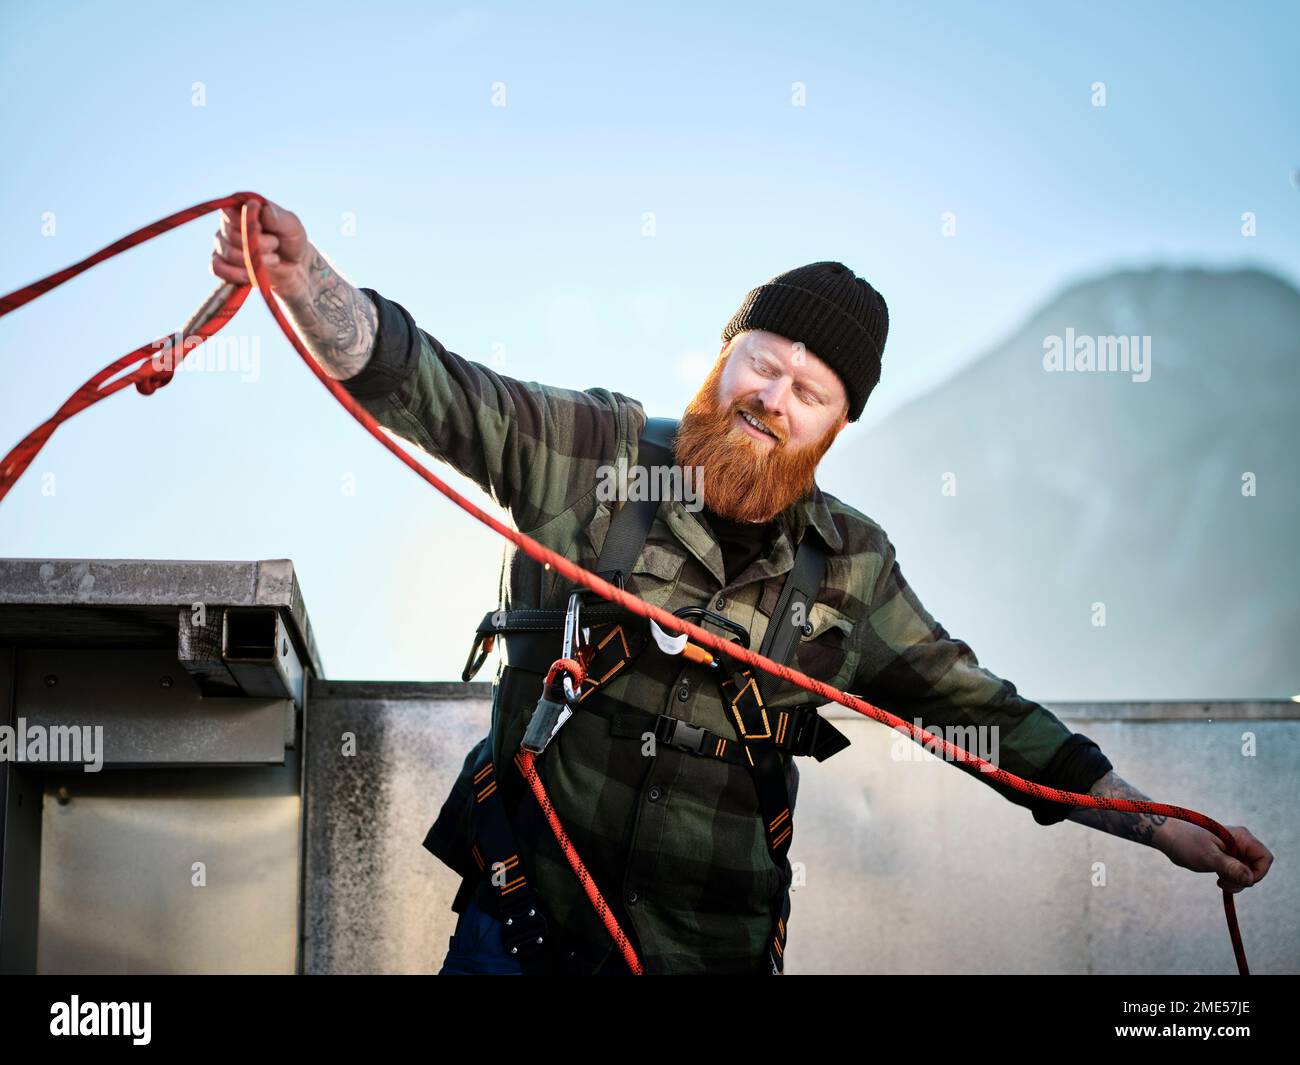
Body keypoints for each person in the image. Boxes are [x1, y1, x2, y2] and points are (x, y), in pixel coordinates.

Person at [211, 200, 1274, 975]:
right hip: (518, 936)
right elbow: (432, 387)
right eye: (761, 362)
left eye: (809, 391)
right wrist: (307, 283)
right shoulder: (591, 449)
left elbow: (985, 719)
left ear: (836, 425)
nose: (772, 398)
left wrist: (1156, 824)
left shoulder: (854, 568)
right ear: (724, 351)